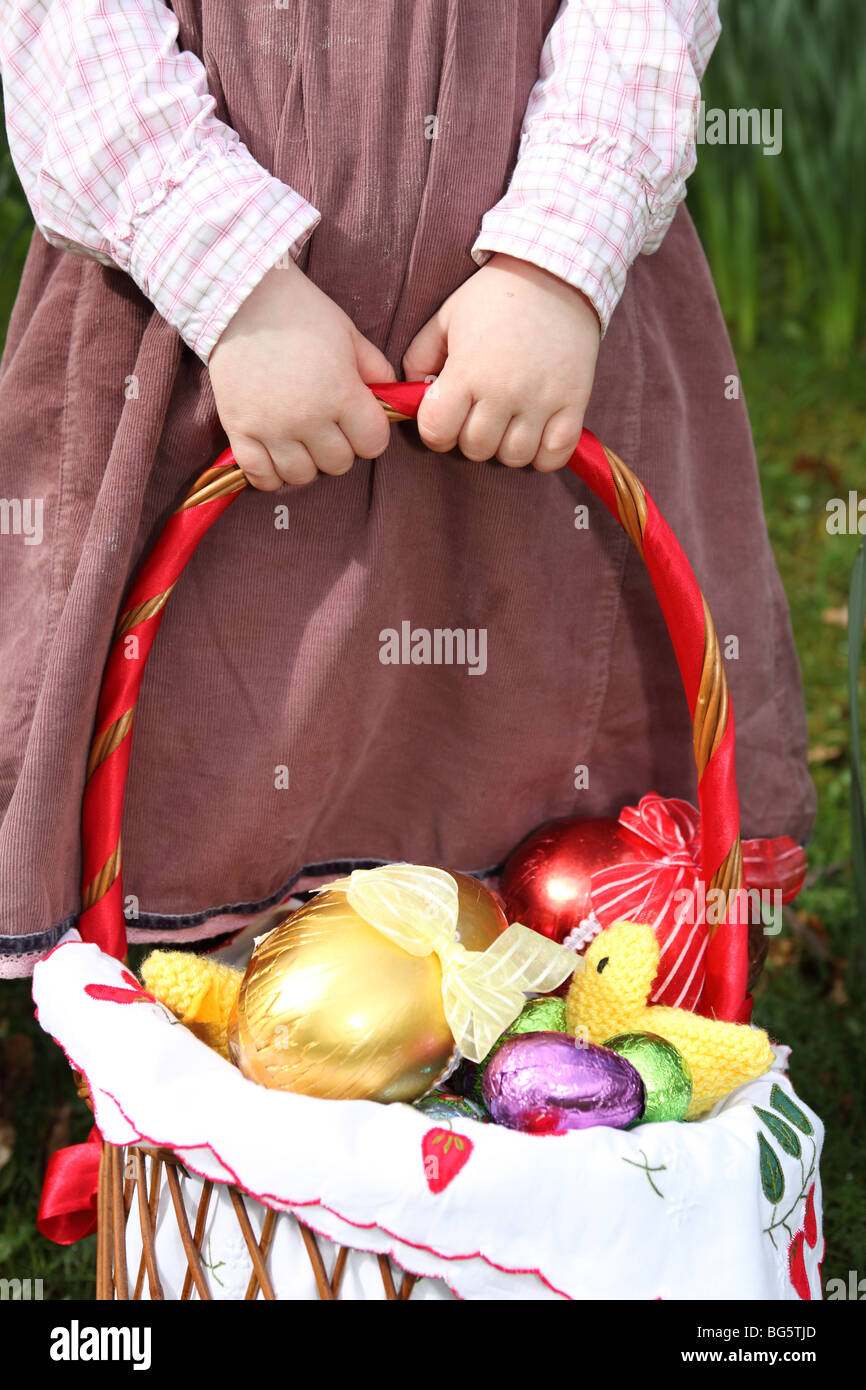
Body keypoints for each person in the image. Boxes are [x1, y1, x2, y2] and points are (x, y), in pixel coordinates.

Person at [0, 1, 814, 976]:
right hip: (199, 333)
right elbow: (67, 24)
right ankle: (202, 995)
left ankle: (548, 983)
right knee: (210, 692)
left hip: (535, 345)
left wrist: (556, 257)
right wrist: (230, 279)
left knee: (536, 678)